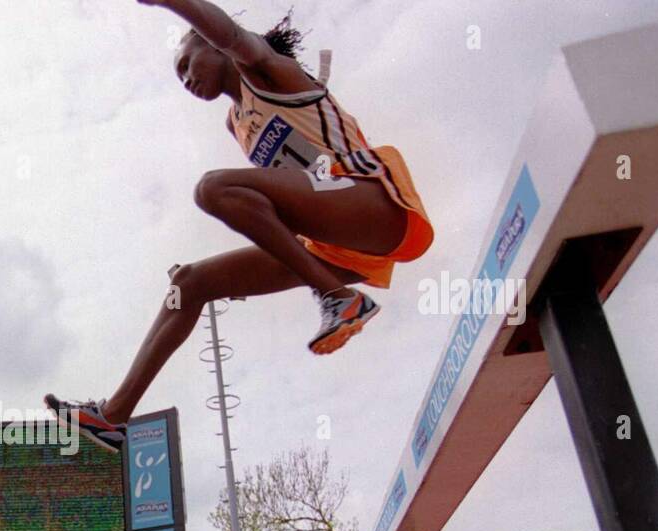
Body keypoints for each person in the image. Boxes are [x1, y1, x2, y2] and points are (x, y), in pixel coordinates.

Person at [46, 0, 433, 452]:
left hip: (375, 206)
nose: (187, 79)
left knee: (214, 190)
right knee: (190, 284)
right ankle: (112, 416)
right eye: (179, 76)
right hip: (337, 248)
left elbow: (230, 33)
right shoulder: (237, 123)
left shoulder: (271, 72)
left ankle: (335, 297)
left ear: (215, 45)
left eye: (187, 64)